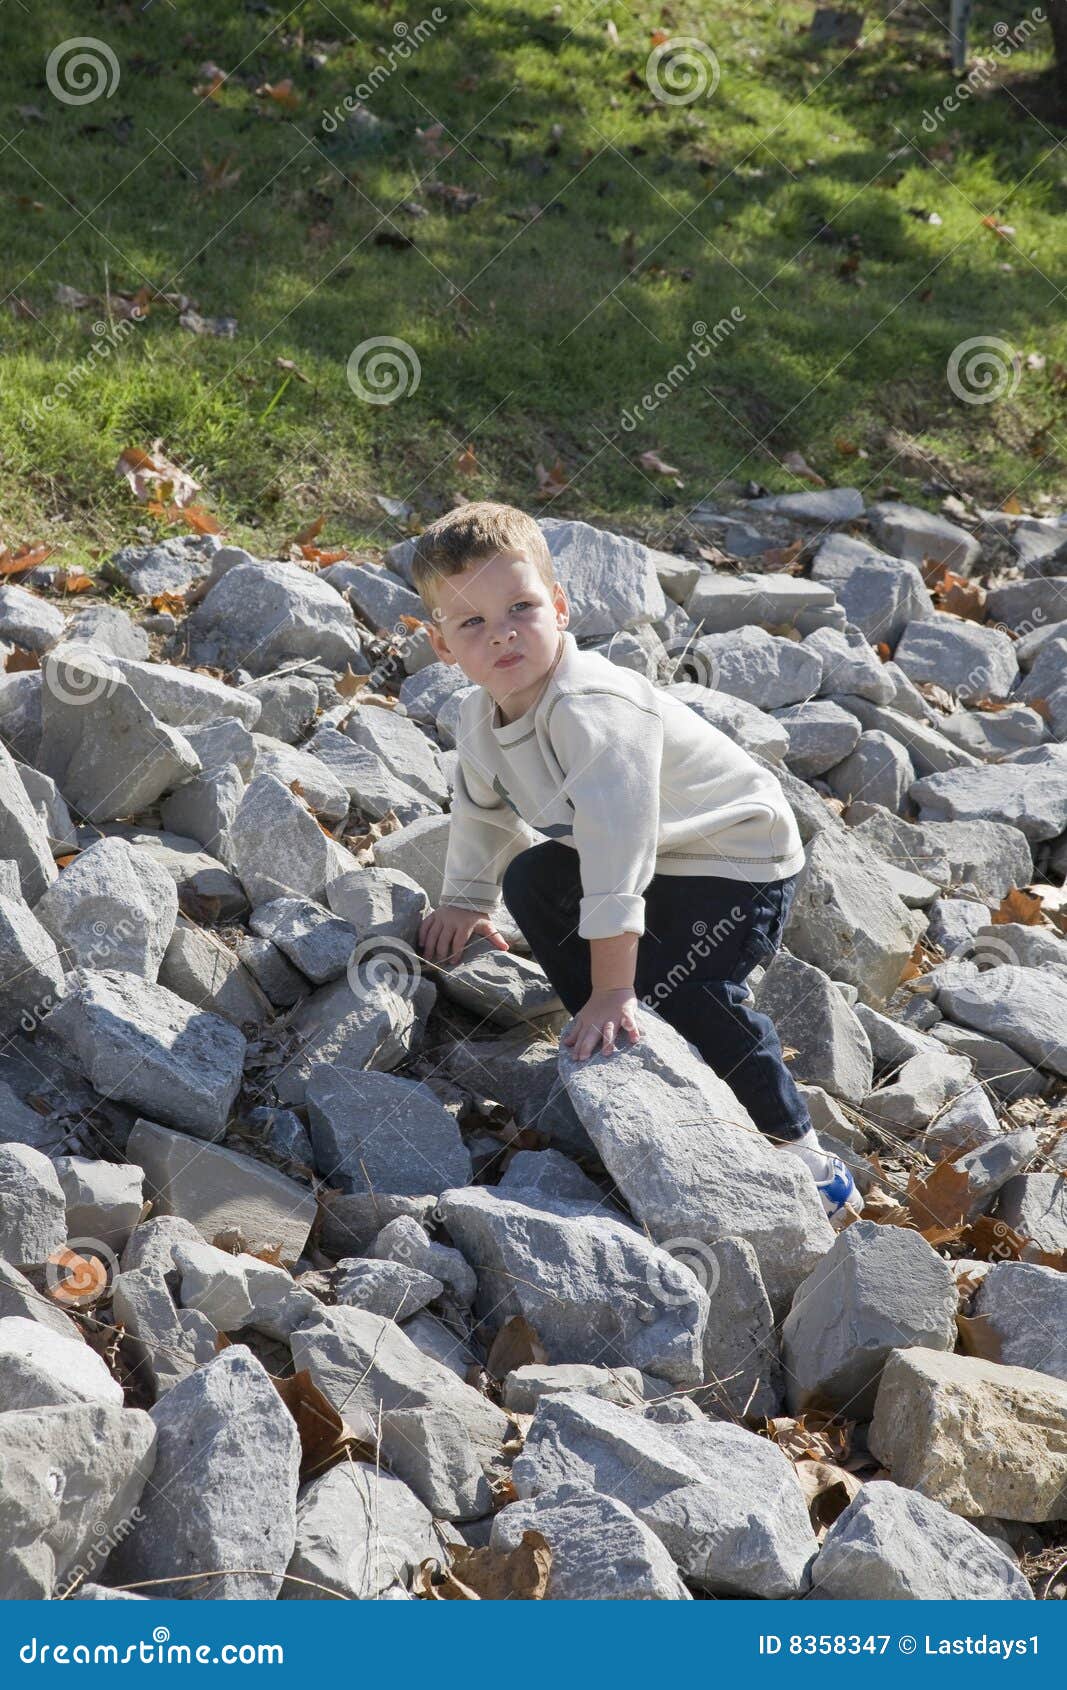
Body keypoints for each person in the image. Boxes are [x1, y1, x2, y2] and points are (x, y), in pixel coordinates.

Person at [412, 500, 861, 1227]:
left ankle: (799, 1153)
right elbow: (481, 808)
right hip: (645, 851)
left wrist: (616, 985)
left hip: (731, 852)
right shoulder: (478, 718)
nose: (501, 633)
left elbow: (619, 849)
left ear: (558, 607)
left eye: (520, 607)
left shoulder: (593, 708)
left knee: (689, 988)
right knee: (531, 881)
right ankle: (619, 1047)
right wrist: (465, 898)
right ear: (442, 648)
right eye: (471, 622)